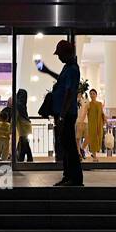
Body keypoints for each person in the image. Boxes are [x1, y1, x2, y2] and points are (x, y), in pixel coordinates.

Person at [38, 40, 83, 186]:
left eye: (60, 54)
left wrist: (62, 115)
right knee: (65, 145)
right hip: (63, 114)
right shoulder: (67, 68)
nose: (59, 57)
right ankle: (68, 176)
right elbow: (63, 82)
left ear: (66, 53)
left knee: (69, 146)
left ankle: (75, 178)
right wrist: (47, 71)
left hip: (67, 114)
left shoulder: (73, 69)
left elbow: (70, 93)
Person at [82, 88, 107, 160]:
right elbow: (85, 112)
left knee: (98, 138)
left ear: (96, 95)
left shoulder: (99, 104)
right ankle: (94, 155)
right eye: (91, 94)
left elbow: (102, 112)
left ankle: (92, 153)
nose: (92, 95)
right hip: (91, 123)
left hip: (99, 123)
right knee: (92, 138)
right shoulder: (88, 104)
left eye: (93, 94)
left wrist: (105, 119)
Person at [14, 89, 33, 162]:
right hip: (27, 124)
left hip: (22, 126)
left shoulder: (18, 104)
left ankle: (22, 159)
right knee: (25, 143)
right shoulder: (23, 104)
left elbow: (16, 115)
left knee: (24, 143)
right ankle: (28, 159)